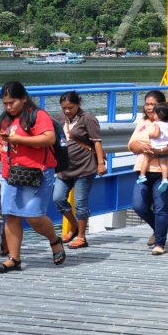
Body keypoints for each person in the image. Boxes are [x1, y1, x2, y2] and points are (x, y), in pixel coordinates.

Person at [0, 81, 65, 273]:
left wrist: (19, 139)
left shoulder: (37, 115)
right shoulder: (5, 118)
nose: (8, 107)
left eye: (12, 102)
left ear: (23, 98)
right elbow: (1, 142)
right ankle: (14, 258)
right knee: (11, 215)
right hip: (11, 174)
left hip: (37, 173)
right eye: (5, 103)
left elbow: (49, 138)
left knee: (34, 218)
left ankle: (54, 240)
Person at [128, 90, 168, 255]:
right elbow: (131, 144)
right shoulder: (143, 122)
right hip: (143, 170)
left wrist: (160, 151)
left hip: (166, 170)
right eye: (147, 104)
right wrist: (142, 147)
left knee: (161, 207)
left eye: (153, 104)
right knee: (139, 205)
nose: (149, 107)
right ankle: (157, 227)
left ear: (161, 105)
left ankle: (160, 243)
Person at [52, 90, 106, 249]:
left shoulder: (87, 119)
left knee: (81, 203)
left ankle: (82, 237)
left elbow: (96, 141)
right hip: (64, 167)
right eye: (64, 108)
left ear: (78, 104)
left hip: (84, 166)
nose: (67, 111)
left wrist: (101, 163)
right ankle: (74, 226)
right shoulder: (60, 119)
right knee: (58, 198)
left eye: (70, 107)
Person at [136, 101, 168, 192]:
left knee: (146, 159)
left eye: (155, 114)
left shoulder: (158, 124)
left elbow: (156, 134)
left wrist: (149, 134)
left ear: (160, 115)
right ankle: (165, 179)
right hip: (166, 147)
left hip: (155, 147)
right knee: (163, 164)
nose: (154, 116)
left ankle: (142, 175)